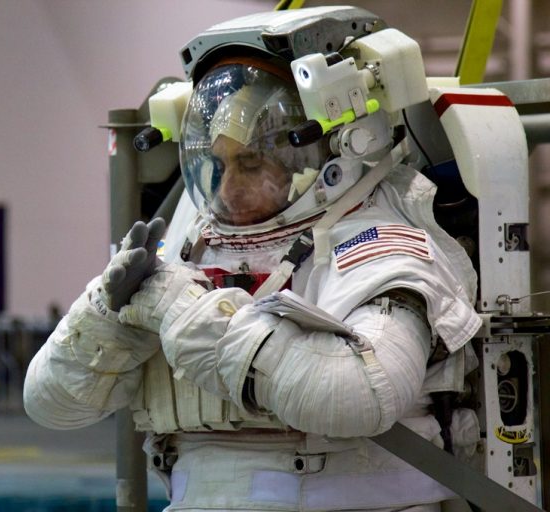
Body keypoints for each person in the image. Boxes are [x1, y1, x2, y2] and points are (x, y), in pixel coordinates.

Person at [24, 6, 482, 511]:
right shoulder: (188, 245)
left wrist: (183, 313)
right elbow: (50, 405)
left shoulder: (377, 245)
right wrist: (105, 317)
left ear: (332, 153)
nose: (229, 187)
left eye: (251, 162)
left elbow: (363, 395)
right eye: (218, 166)